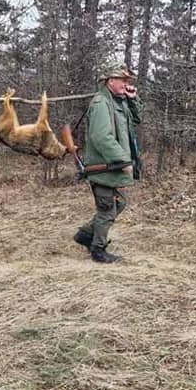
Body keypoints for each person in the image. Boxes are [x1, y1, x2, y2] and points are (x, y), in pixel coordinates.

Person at [73, 61, 143, 263]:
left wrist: (133, 99)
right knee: (107, 209)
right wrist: (123, 159)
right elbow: (101, 137)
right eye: (122, 80)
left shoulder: (118, 101)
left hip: (113, 167)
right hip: (103, 166)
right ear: (110, 81)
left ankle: (85, 234)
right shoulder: (101, 103)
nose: (126, 84)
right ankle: (98, 250)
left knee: (120, 204)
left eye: (127, 80)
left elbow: (136, 120)